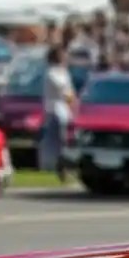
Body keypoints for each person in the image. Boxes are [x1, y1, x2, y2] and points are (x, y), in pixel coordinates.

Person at [39, 45, 76, 182]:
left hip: (65, 111)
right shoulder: (51, 72)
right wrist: (70, 97)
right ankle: (57, 167)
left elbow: (70, 91)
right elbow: (62, 89)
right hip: (55, 110)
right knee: (57, 142)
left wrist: (73, 102)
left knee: (65, 142)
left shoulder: (64, 72)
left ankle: (64, 167)